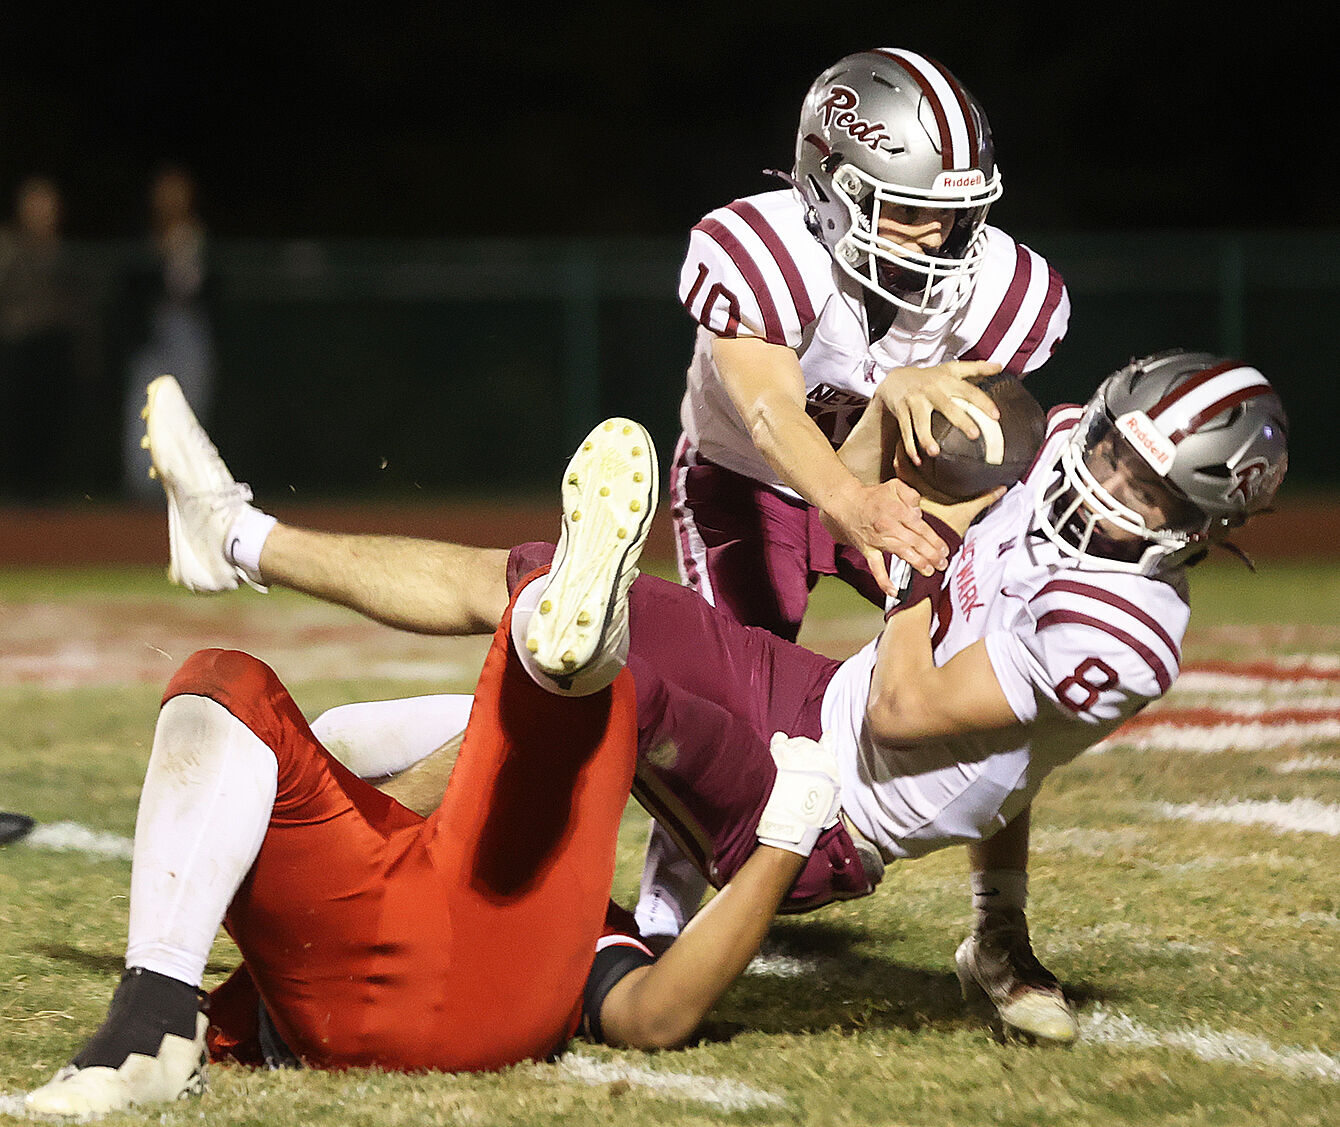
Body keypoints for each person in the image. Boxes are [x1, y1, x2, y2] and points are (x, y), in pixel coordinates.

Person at [119, 349, 1285, 1051]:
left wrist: (928, 556)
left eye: (1144, 482)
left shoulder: (1124, 631)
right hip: (815, 695)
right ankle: (235, 535)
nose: (1104, 478)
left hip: (823, 801)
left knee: (568, 668)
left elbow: (909, 710)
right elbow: (864, 484)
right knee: (533, 595)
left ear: (1200, 520)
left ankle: (291, 924)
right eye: (1114, 446)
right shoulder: (1069, 437)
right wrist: (890, 406)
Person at [25, 403, 844, 1117]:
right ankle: (567, 659)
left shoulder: (507, 879)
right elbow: (652, 1018)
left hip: (349, 992)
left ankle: (151, 1020)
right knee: (580, 710)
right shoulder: (574, 905)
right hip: (498, 993)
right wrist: (783, 840)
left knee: (222, 684)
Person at [652, 45, 1071, 952]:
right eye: (914, 210)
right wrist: (850, 499)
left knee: (989, 658)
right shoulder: (761, 250)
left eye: (957, 216)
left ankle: (1000, 922)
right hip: (745, 481)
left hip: (896, 476)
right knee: (724, 689)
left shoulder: (1006, 289)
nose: (942, 240)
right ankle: (664, 905)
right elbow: (770, 413)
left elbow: (975, 437)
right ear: (829, 187)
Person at [118, 164, 217, 502]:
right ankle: (143, 493)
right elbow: (130, 289)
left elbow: (205, 290)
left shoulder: (199, 234)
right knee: (143, 411)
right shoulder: (141, 236)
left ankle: (191, 491)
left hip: (189, 331)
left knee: (191, 411)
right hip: (151, 335)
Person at [0, 176, 94, 499]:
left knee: (52, 433)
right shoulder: (8, 248)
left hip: (54, 357)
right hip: (14, 353)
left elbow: (79, 313)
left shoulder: (67, 255)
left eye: (47, 206)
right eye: (33, 205)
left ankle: (49, 498)